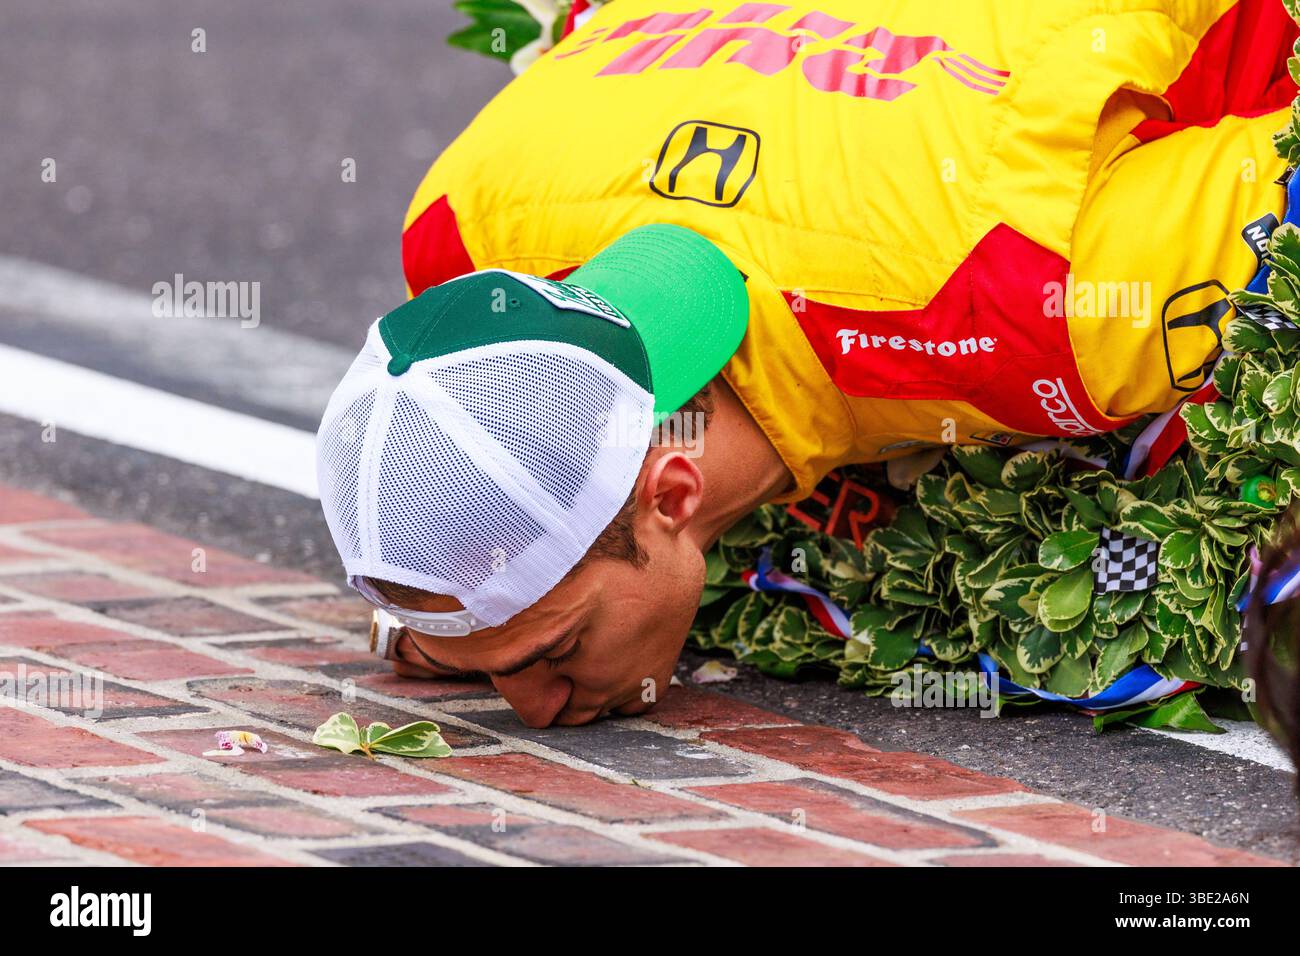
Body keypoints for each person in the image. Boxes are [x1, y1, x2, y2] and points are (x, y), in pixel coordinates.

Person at [316, 0, 1299, 726]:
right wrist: (446, 613)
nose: (532, 708)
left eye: (555, 650)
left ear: (672, 486)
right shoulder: (463, 228)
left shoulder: (1033, 304)